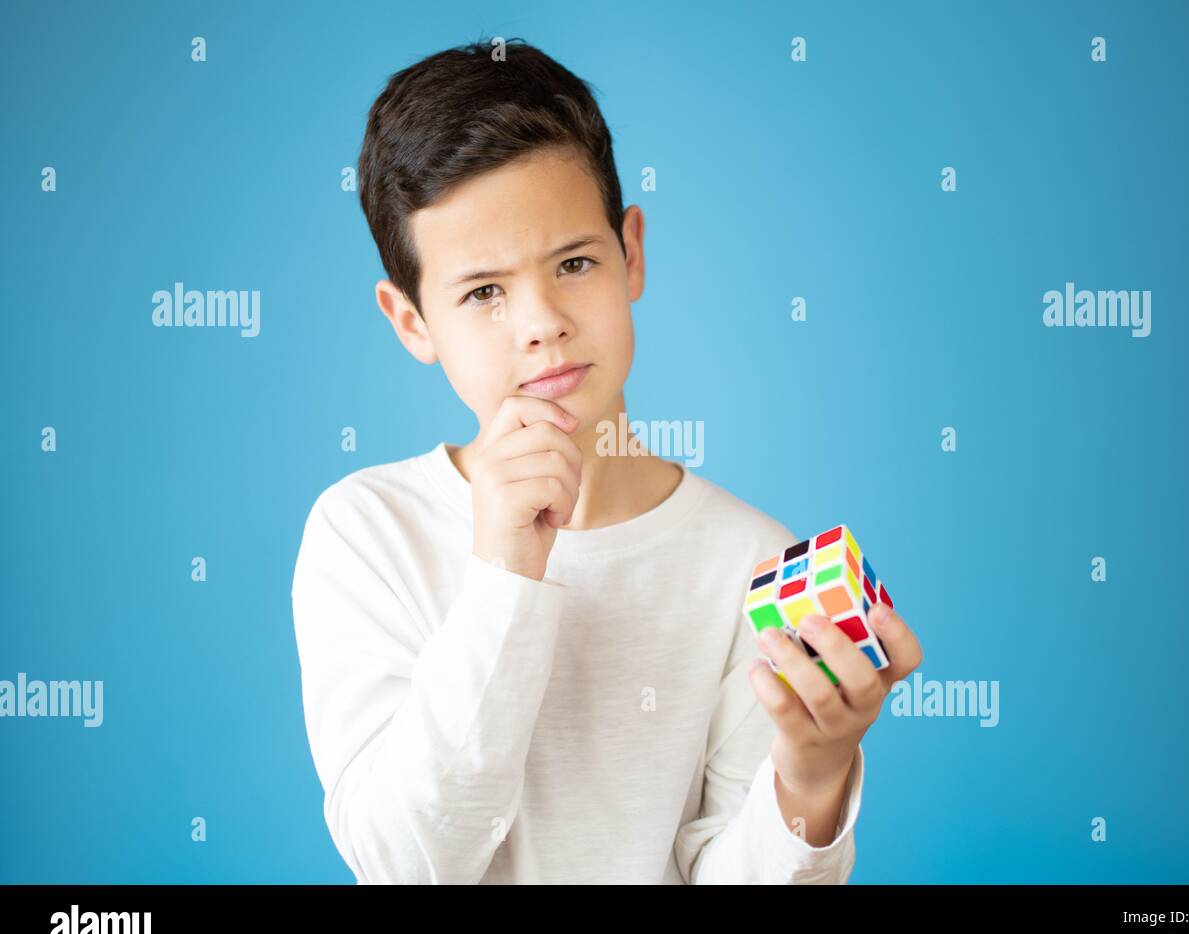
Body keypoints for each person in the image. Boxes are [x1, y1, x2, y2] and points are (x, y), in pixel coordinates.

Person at [290, 37, 924, 884]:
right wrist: (505, 576)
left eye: (574, 263)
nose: (541, 321)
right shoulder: (366, 532)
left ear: (631, 252)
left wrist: (811, 774)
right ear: (411, 322)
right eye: (484, 292)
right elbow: (409, 862)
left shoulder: (751, 565)